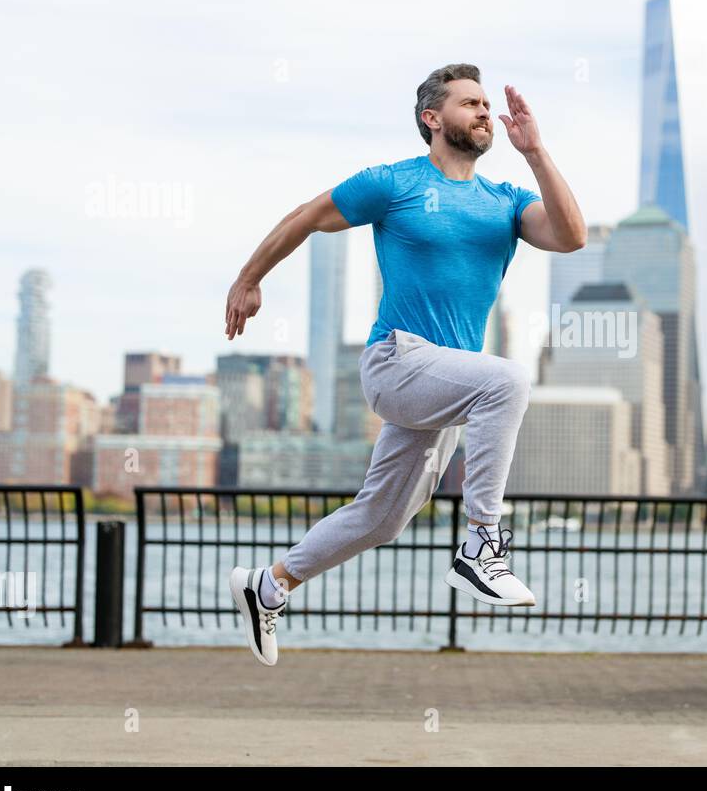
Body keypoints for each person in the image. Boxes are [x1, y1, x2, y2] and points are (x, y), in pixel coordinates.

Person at [224, 63, 585, 666]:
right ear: (432, 117)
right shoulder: (393, 184)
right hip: (397, 361)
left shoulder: (506, 201)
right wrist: (248, 278)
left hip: (447, 385)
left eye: (486, 104)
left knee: (383, 517)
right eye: (469, 103)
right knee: (509, 380)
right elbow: (306, 217)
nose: (484, 112)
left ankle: (270, 584)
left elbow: (571, 236)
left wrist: (537, 153)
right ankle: (483, 545)